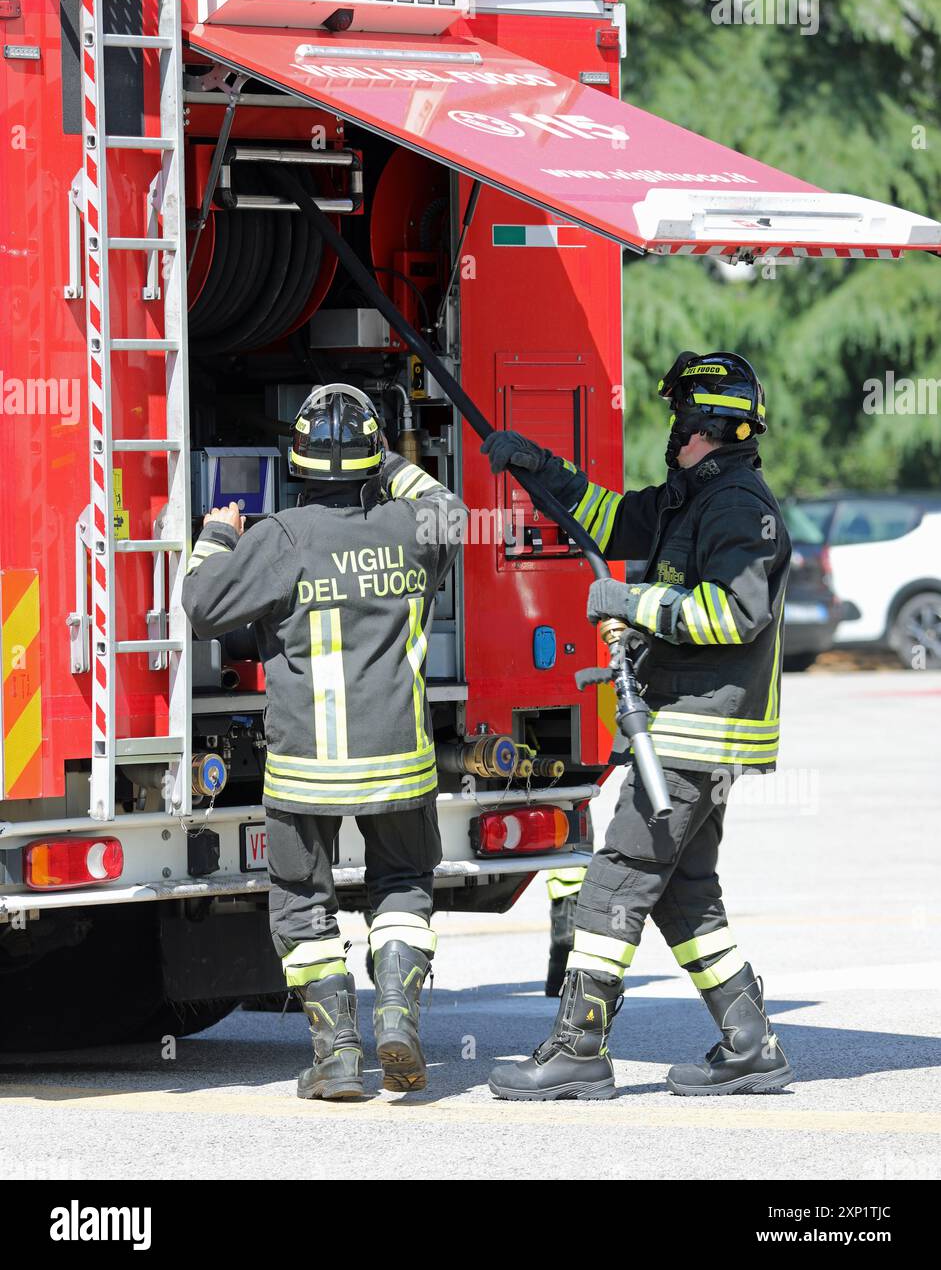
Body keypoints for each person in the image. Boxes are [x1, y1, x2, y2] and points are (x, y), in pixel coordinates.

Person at [482, 351, 794, 1100]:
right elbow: (609, 517)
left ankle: (577, 1045)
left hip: (696, 729)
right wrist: (536, 467)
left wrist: (629, 603)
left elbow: (735, 613)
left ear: (705, 422)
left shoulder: (738, 508)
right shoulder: (690, 498)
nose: (670, 431)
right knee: (684, 892)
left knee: (616, 877)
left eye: (679, 418)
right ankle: (749, 1041)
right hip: (680, 727)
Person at [183, 383, 464, 1100]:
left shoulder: (279, 538)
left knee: (301, 903)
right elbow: (450, 509)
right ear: (370, 459)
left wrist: (217, 533)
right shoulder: (414, 527)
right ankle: (397, 1011)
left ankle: (337, 1054)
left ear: (297, 461)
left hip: (304, 769)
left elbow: (201, 605)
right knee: (402, 886)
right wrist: (393, 467)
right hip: (400, 765)